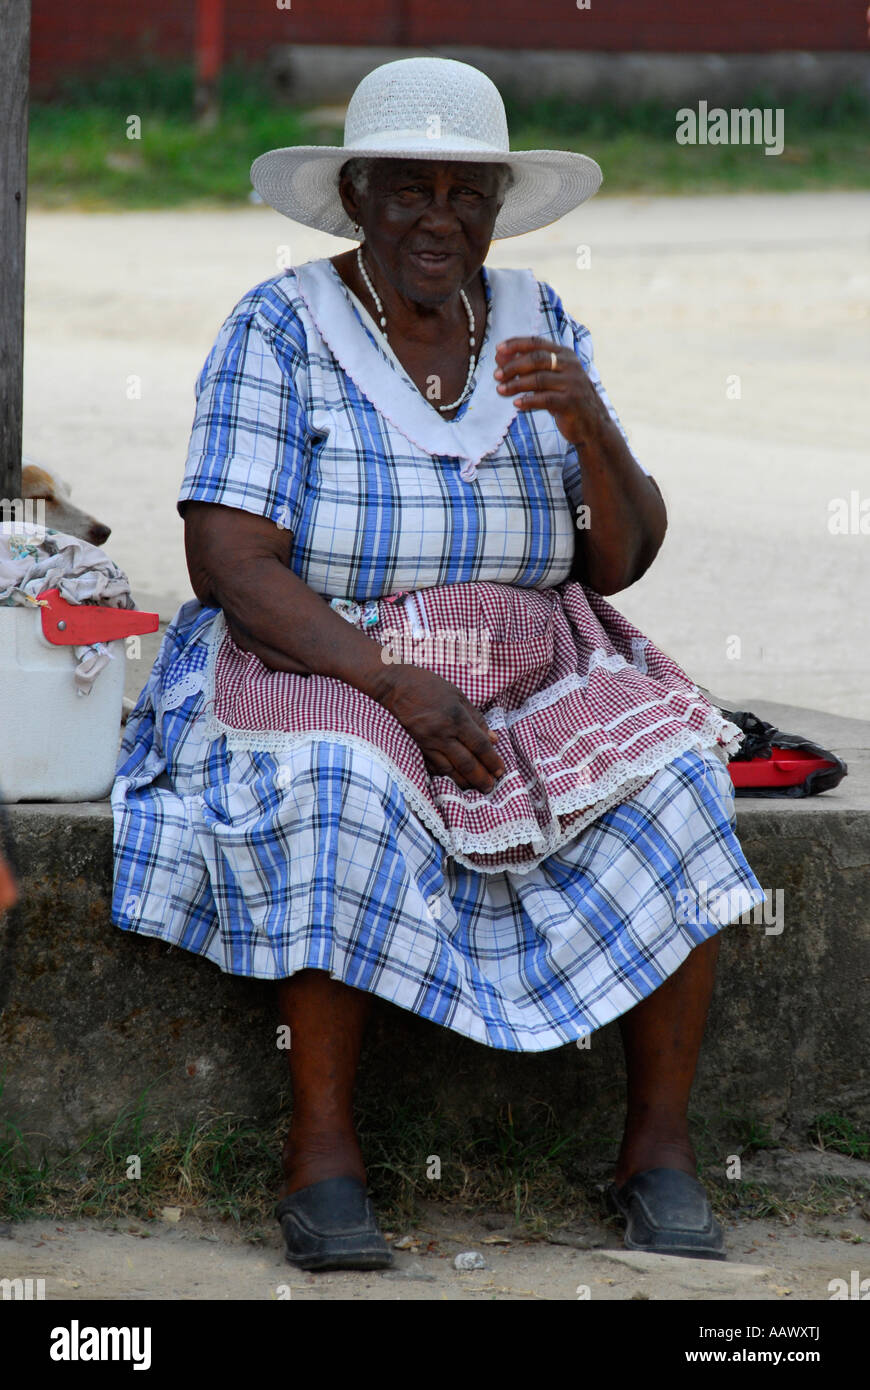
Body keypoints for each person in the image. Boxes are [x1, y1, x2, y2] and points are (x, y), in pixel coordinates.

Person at [111, 56, 766, 1270]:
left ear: (498, 209)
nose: (440, 220)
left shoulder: (537, 323)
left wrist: (590, 425)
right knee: (340, 782)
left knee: (680, 770)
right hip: (324, 644)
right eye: (408, 191)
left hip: (533, 647)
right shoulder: (280, 326)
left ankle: (660, 1153)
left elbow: (619, 560)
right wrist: (390, 681)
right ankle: (324, 1163)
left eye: (467, 195)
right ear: (355, 195)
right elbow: (229, 563)